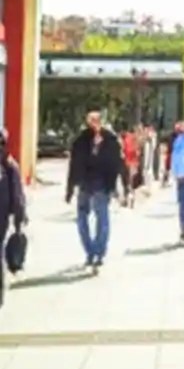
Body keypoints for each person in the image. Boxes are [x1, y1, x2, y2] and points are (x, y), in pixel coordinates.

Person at [66, 109, 126, 273]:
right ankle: (90, 251)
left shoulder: (110, 140)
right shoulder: (80, 140)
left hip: (102, 185)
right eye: (91, 120)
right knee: (81, 220)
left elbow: (119, 164)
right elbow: (74, 164)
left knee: (102, 219)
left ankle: (99, 252)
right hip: (85, 184)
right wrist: (70, 188)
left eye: (96, 120)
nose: (93, 123)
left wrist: (123, 187)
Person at [0, 129, 26, 296]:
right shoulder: (9, 165)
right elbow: (17, 197)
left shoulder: (9, 166)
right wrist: (19, 219)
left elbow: (17, 196)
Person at [121, 125, 140, 208]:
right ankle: (132, 198)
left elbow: (124, 151)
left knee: (126, 181)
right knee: (132, 182)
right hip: (134, 163)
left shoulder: (126, 139)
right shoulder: (135, 140)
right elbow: (137, 152)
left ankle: (126, 198)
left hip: (127, 163)